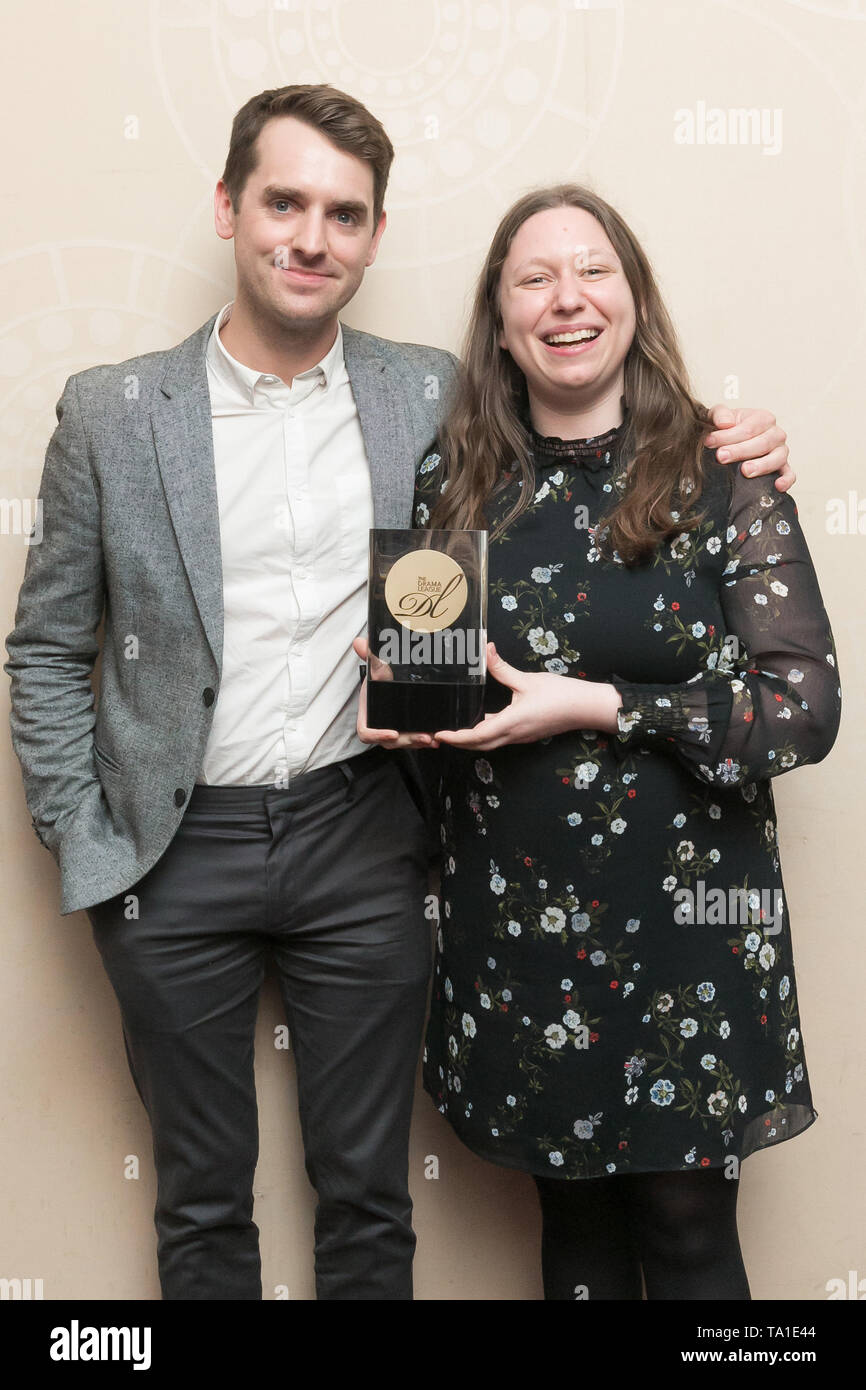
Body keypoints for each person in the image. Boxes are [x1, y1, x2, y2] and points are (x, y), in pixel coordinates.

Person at [4, 79, 791, 1302]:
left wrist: (731, 437)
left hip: (361, 835)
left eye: (345, 213)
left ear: (374, 234)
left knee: (368, 1198)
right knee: (201, 1198)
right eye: (283, 202)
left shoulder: (427, 396)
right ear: (227, 207)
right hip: (173, 845)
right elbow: (47, 647)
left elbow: (595, 426)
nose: (311, 237)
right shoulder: (112, 412)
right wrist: (87, 839)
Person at [356, 184, 840, 1300]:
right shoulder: (456, 480)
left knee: (684, 1233)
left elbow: (800, 712)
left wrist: (601, 704)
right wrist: (404, 703)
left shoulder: (725, 474)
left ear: (631, 295)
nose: (565, 299)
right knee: (570, 1231)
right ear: (499, 313)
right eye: (533, 277)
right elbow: (449, 723)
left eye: (592, 270)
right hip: (517, 932)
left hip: (691, 937)